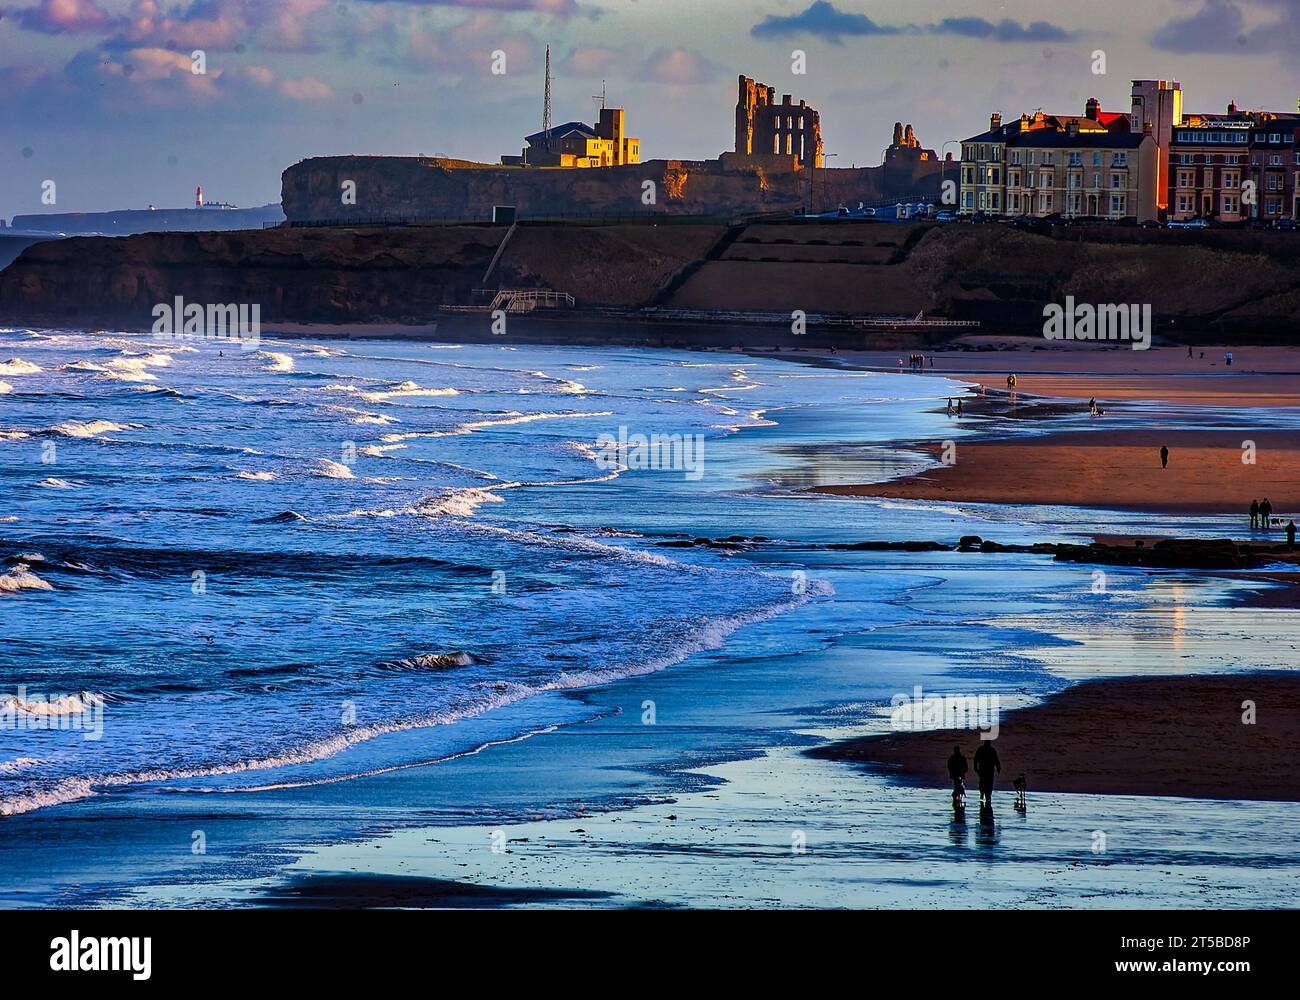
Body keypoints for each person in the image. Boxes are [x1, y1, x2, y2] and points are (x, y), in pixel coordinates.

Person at [973, 740, 1001, 809]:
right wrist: (998, 767)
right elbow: (996, 759)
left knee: (985, 783)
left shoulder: (982, 749)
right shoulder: (991, 750)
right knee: (987, 783)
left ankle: (985, 794)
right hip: (987, 770)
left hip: (985, 770)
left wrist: (998, 767)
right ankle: (985, 794)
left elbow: (976, 759)